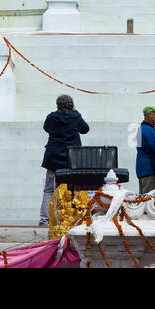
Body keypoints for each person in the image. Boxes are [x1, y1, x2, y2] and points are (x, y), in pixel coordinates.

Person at [39, 93, 90, 225]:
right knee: (72, 190)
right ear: (72, 105)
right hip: (71, 159)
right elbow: (85, 129)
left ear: (57, 105)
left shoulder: (51, 117)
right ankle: (71, 220)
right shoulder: (76, 117)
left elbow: (46, 128)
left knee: (49, 190)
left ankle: (45, 220)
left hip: (53, 158)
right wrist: (75, 111)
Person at [135, 106, 155, 194]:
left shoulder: (141, 128)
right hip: (148, 169)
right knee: (149, 200)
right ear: (149, 115)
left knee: (143, 198)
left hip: (142, 168)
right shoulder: (148, 129)